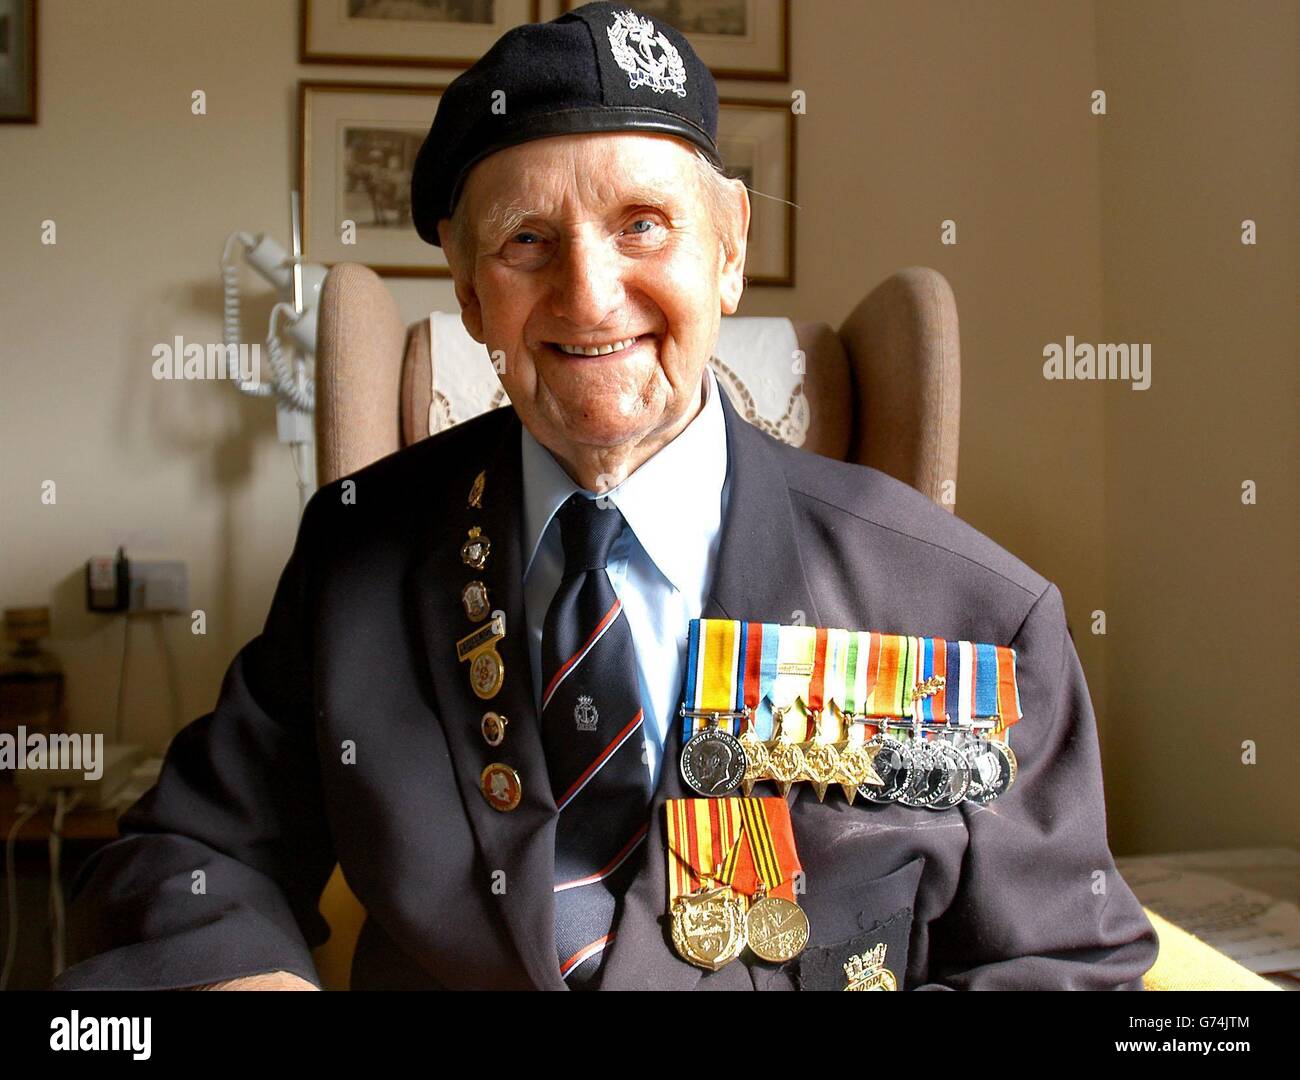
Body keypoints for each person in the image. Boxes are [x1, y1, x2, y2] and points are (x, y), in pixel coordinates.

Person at [53, 2, 1157, 991]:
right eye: (526, 239)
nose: (589, 295)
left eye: (642, 225)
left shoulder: (968, 610)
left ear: (729, 249)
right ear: (471, 292)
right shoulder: (359, 553)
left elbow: (1063, 958)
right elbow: (188, 860)